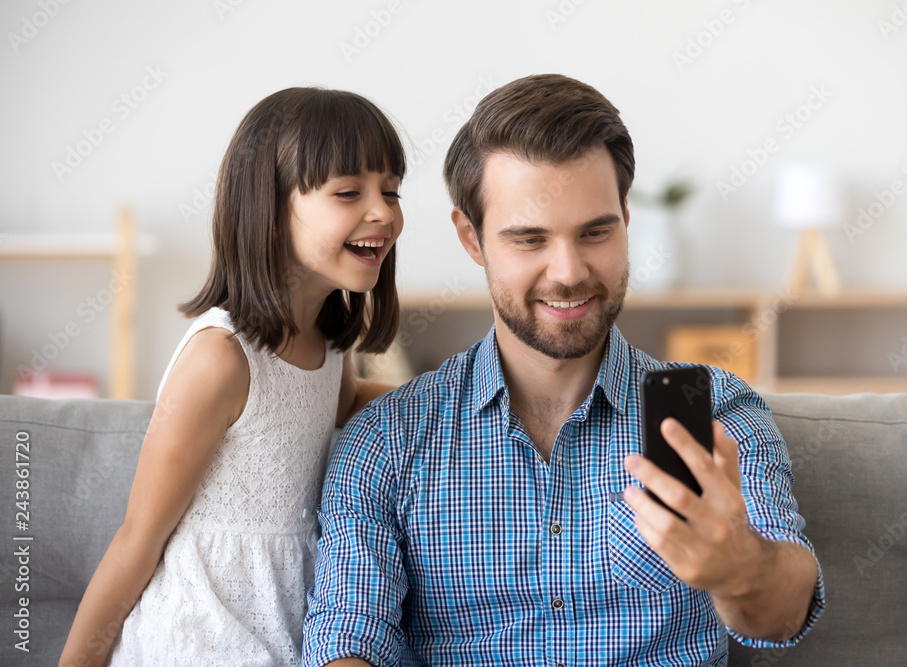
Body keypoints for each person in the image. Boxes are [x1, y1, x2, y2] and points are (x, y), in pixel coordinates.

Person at [303, 74, 824, 667]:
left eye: (596, 232)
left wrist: (741, 569)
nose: (569, 271)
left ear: (626, 219)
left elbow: (784, 615)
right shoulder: (387, 441)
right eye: (529, 240)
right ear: (472, 239)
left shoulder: (716, 415)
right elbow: (347, 638)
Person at [59, 87, 406, 667]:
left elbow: (344, 406)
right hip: (199, 638)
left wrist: (462, 396)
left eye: (391, 190)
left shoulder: (326, 342)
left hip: (287, 626)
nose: (384, 212)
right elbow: (137, 538)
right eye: (349, 192)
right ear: (267, 214)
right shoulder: (221, 357)